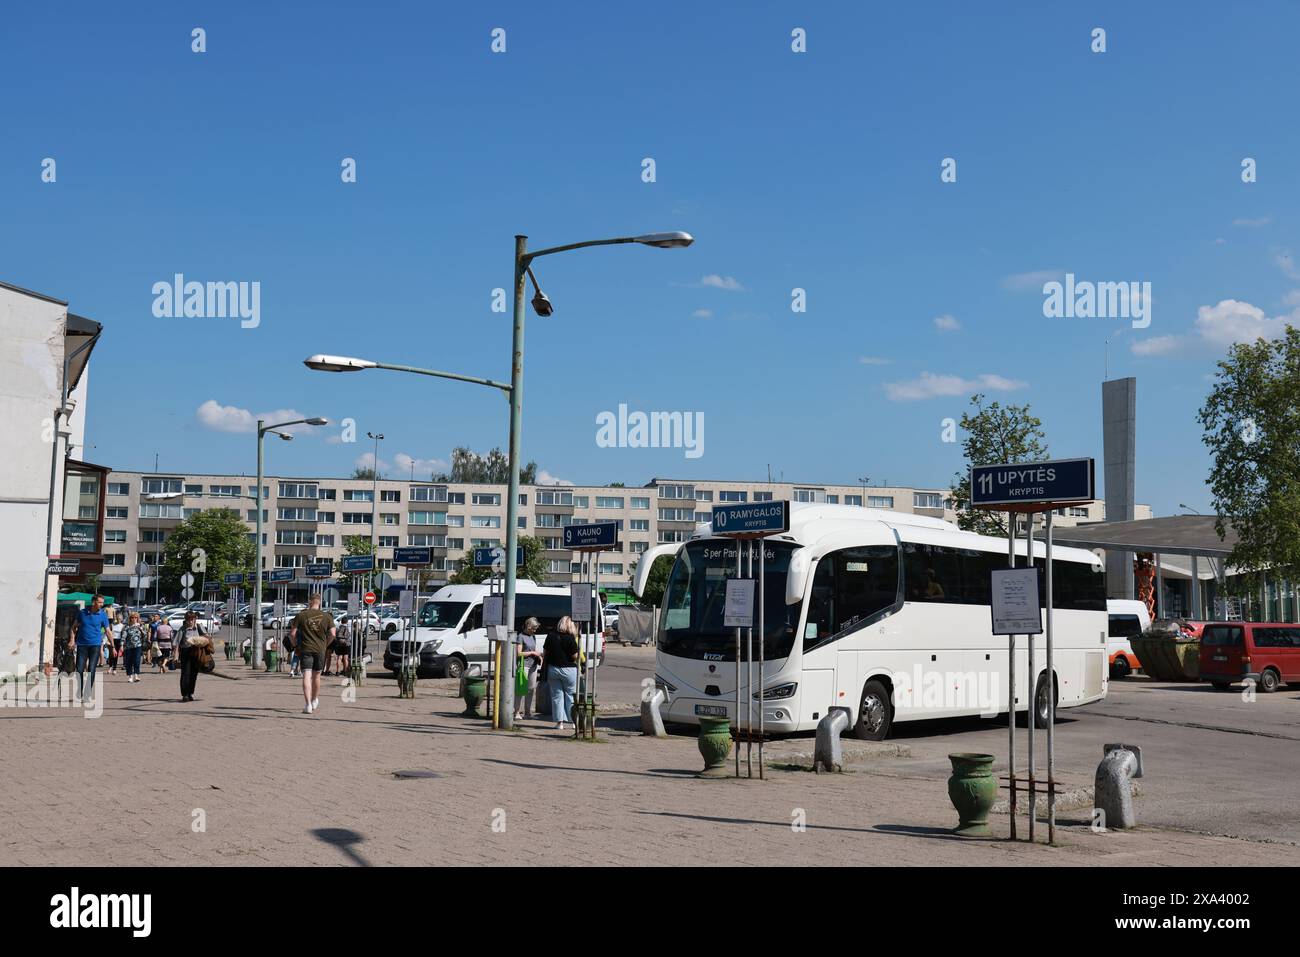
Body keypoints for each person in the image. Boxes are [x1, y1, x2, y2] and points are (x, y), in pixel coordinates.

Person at [288, 595, 337, 715]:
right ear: (319, 603)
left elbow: (292, 634)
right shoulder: (327, 617)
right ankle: (314, 700)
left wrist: (295, 645)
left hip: (305, 649)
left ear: (309, 602)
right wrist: (325, 644)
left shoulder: (301, 615)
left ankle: (308, 704)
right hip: (320, 649)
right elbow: (333, 634)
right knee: (317, 676)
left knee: (306, 675)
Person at [542, 615, 580, 731]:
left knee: (557, 696)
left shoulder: (551, 636)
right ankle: (573, 722)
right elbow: (574, 656)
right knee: (571, 695)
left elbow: (545, 652)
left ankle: (560, 723)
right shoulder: (570, 638)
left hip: (553, 669)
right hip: (569, 670)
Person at [69, 595, 111, 698]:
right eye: (100, 602)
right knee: (79, 669)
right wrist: (72, 640)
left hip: (95, 645)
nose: (102, 605)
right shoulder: (82, 613)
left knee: (91, 669)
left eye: (102, 603)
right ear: (93, 602)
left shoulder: (103, 615)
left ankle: (87, 693)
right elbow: (73, 627)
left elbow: (108, 631)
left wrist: (113, 646)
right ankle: (80, 690)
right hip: (82, 645)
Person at [176, 610, 211, 702]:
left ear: (195, 619)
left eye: (192, 619)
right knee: (185, 674)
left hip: (197, 652)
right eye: (188, 619)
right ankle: (185, 694)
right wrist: (175, 657)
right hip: (186, 652)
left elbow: (207, 638)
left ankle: (190, 693)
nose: (190, 621)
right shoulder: (182, 629)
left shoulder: (200, 627)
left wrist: (201, 640)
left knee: (194, 674)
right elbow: (176, 644)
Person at [513, 617, 544, 721]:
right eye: (533, 629)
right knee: (521, 689)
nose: (534, 631)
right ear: (528, 626)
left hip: (533, 665)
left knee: (531, 689)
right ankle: (516, 711)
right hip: (524, 665)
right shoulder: (520, 637)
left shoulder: (533, 637)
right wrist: (532, 653)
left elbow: (533, 650)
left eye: (535, 629)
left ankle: (527, 711)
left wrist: (538, 656)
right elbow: (518, 653)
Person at [121, 611, 147, 682]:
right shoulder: (127, 626)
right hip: (128, 646)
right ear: (130, 618)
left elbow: (145, 635)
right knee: (128, 661)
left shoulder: (141, 626)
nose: (134, 619)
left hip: (138, 645)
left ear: (138, 618)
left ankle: (136, 674)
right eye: (132, 617)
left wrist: (141, 629)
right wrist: (121, 645)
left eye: (136, 617)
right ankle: (130, 676)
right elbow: (123, 636)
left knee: (137, 660)